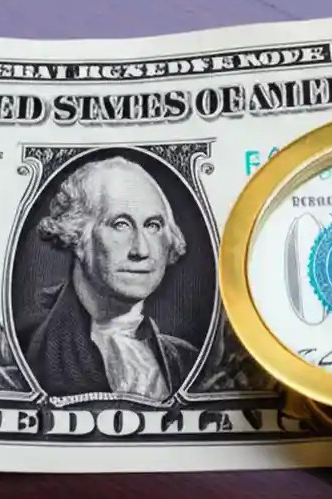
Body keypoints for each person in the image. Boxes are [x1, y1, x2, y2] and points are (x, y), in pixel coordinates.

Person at [19, 155, 198, 401]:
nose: (141, 250)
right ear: (77, 235)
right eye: (121, 224)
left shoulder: (186, 360)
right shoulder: (26, 355)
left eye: (153, 226)